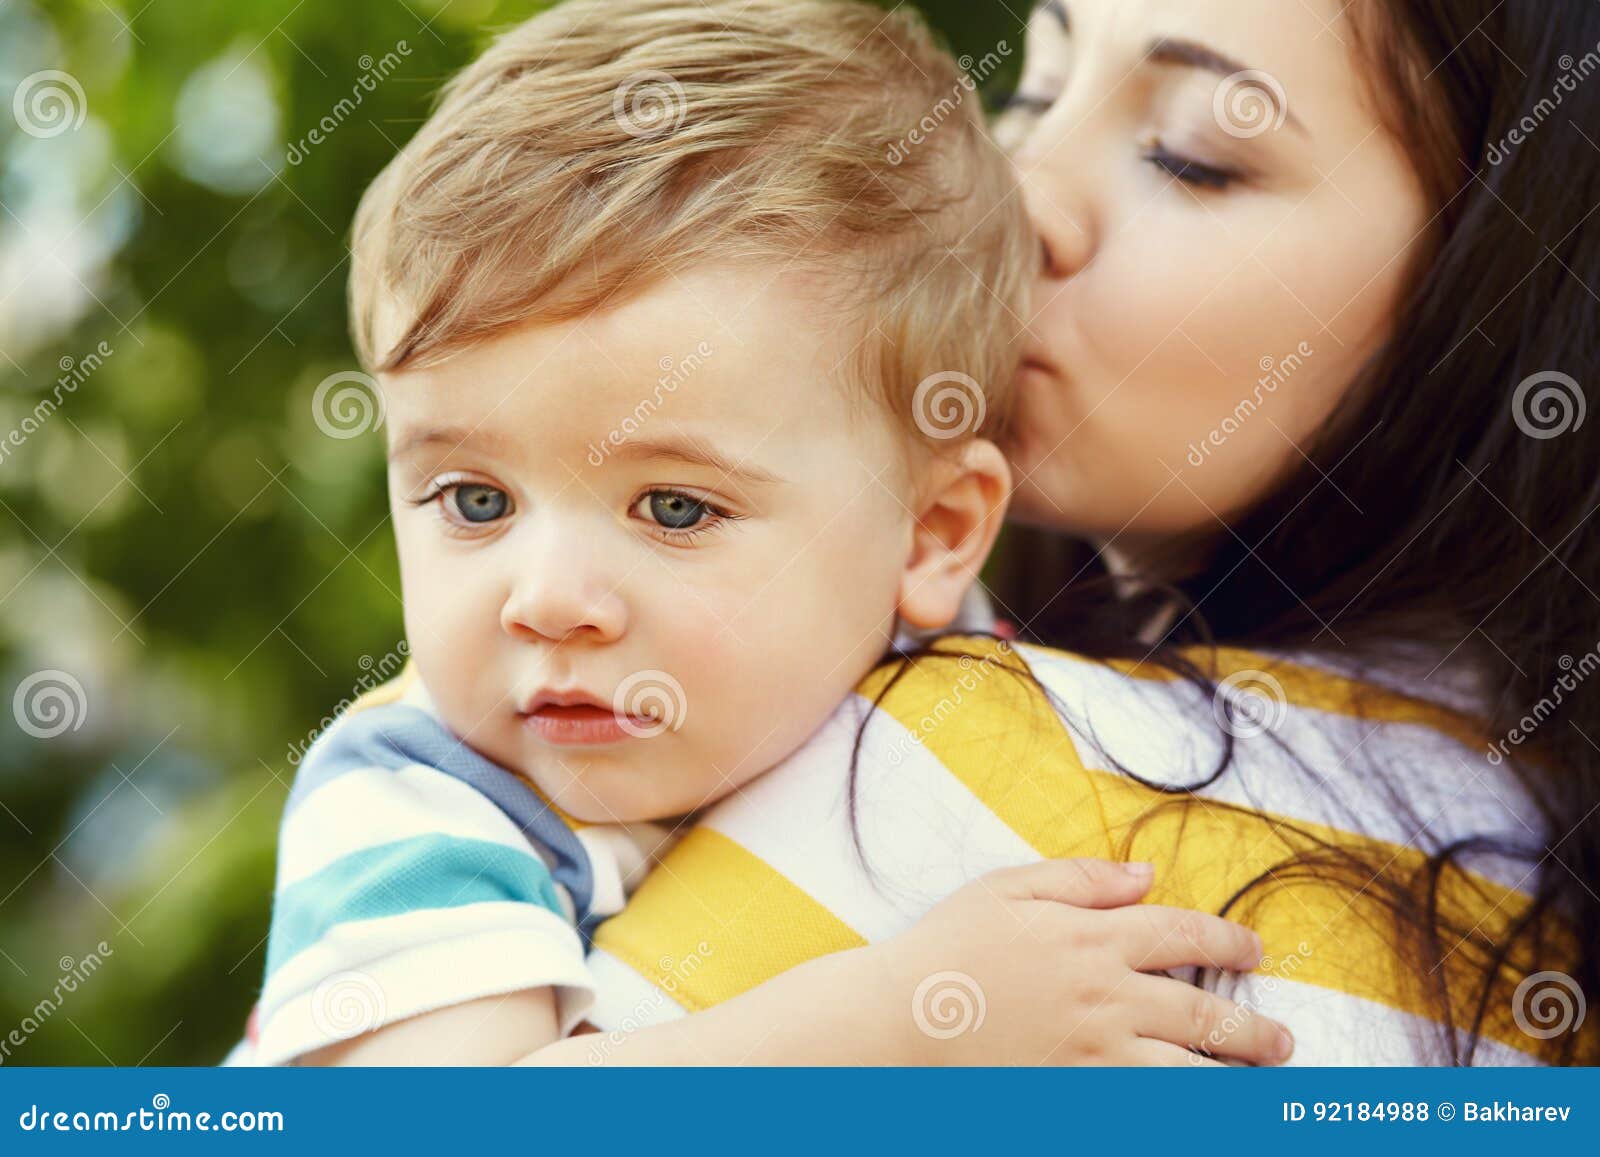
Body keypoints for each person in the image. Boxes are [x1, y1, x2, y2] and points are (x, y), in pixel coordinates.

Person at [245, 0, 1290, 1067]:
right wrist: (901, 1020)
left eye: (676, 507)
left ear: (931, 535)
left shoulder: (978, 689)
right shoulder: (422, 807)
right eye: (475, 500)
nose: (547, 597)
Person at [581, 0, 1600, 1066]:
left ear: (1502, 291)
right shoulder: (1544, 908)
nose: (1012, 193)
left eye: (1191, 156)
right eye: (1034, 94)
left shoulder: (972, 762)